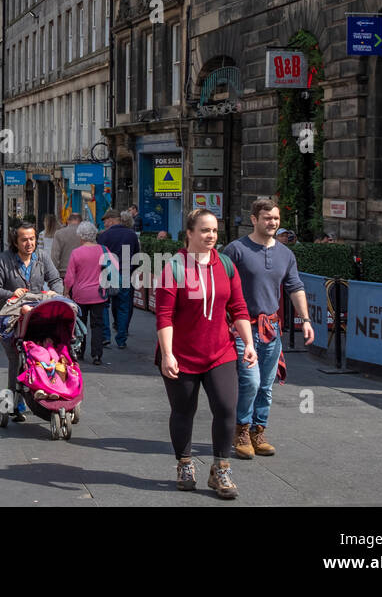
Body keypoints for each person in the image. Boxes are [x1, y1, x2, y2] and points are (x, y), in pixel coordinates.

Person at [156, 208, 257, 500]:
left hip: (220, 351)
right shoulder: (173, 267)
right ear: (189, 233)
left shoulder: (225, 265)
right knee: (183, 411)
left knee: (227, 408)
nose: (211, 235)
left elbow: (238, 308)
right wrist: (167, 354)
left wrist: (248, 343)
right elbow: (164, 317)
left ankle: (220, 469)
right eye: (204, 230)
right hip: (182, 355)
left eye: (214, 230)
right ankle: (184, 464)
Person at [227, 198, 314, 461]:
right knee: (250, 381)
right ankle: (240, 430)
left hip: (271, 329)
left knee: (266, 385)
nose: (272, 222)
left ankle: (258, 431)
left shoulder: (285, 253)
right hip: (243, 328)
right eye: (267, 218)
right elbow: (220, 284)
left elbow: (295, 287)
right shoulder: (235, 250)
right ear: (254, 219)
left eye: (275, 218)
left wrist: (306, 320)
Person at [0, 223, 64, 422]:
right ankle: (14, 400)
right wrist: (11, 293)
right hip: (10, 317)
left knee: (41, 354)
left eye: (32, 239)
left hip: (36, 316)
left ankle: (47, 389)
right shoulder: (3, 261)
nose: (29, 243)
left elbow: (55, 279)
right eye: (24, 240)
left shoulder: (42, 258)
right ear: (15, 242)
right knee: (17, 359)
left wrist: (57, 292)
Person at [64, 221, 119, 366]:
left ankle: (80, 351)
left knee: (80, 324)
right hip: (99, 294)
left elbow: (70, 277)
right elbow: (115, 268)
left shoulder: (76, 253)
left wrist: (66, 292)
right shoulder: (104, 250)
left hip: (80, 294)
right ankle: (97, 355)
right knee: (98, 325)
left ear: (81, 236)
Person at [98, 209, 141, 350]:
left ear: (111, 219)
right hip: (125, 273)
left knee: (104, 305)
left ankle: (105, 336)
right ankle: (121, 339)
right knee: (123, 306)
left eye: (105, 221)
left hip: (108, 273)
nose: (104, 224)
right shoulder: (131, 235)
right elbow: (136, 256)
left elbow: (100, 257)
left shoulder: (104, 236)